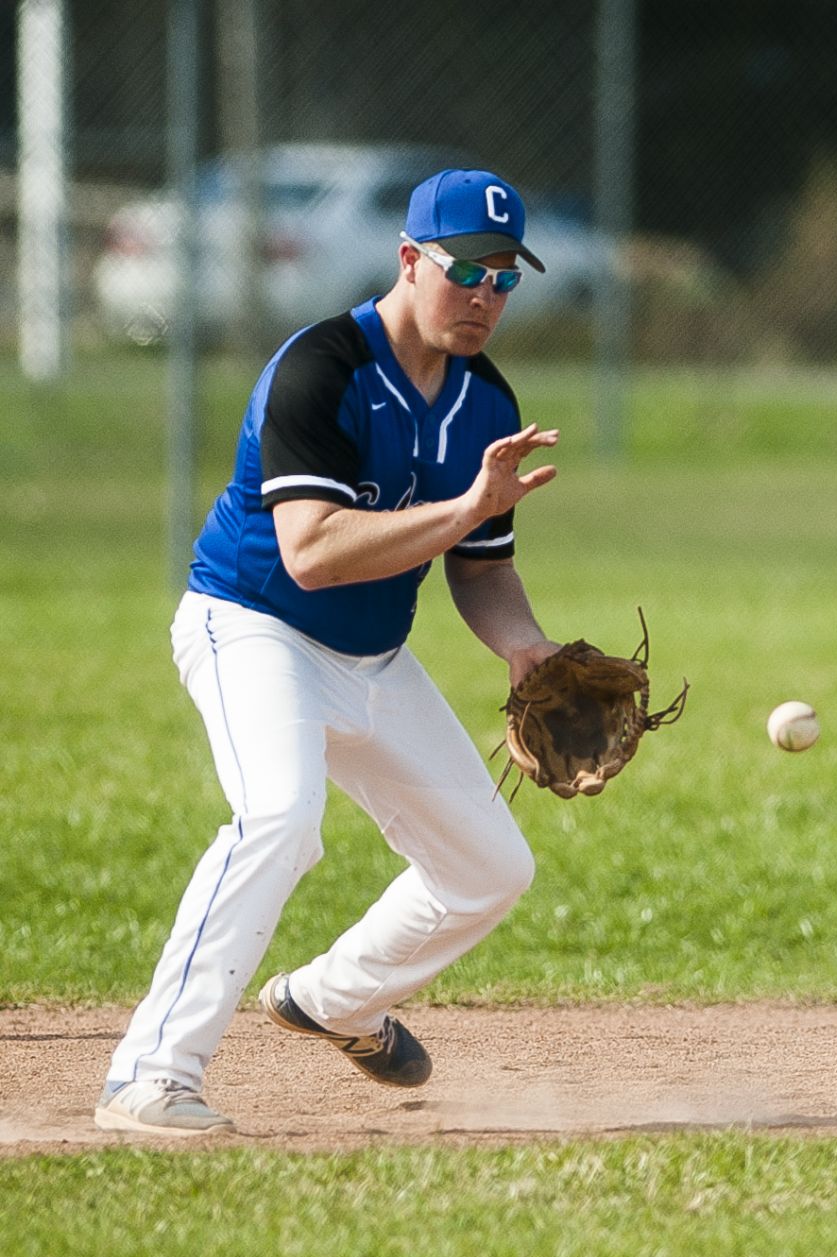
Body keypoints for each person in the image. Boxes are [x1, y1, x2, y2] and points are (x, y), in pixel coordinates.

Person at [96, 169, 564, 1135]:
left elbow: (481, 568)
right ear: (409, 259)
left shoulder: (484, 399)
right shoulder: (321, 368)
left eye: (505, 278)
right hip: (254, 626)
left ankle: (334, 1000)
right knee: (278, 816)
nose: (484, 295)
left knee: (489, 865)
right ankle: (149, 1077)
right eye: (466, 269)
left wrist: (525, 646)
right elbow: (310, 553)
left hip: (374, 658)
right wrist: (464, 507)